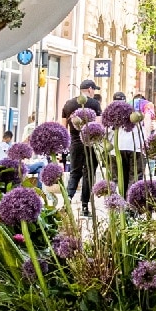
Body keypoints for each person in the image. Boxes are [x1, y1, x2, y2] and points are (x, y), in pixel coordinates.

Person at [62, 79, 103, 214]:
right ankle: (85, 206)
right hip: (90, 144)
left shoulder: (68, 104)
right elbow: (98, 125)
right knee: (89, 174)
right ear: (90, 90)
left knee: (75, 173)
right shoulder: (94, 103)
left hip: (75, 144)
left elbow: (63, 127)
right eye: (94, 90)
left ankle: (67, 200)